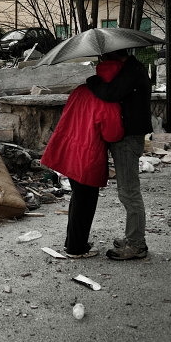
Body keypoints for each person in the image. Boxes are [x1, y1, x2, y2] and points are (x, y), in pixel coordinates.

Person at [42, 58, 125, 258]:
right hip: (88, 154)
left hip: (69, 149)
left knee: (78, 199)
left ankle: (72, 242)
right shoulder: (107, 100)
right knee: (86, 202)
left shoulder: (80, 90)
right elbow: (112, 134)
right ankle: (76, 248)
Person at [86, 48, 153, 260]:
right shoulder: (133, 69)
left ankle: (136, 244)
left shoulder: (131, 71)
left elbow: (110, 93)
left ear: (114, 54)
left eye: (106, 56)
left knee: (129, 192)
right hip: (129, 136)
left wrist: (93, 81)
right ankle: (134, 239)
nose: (104, 60)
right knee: (128, 191)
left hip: (128, 138)